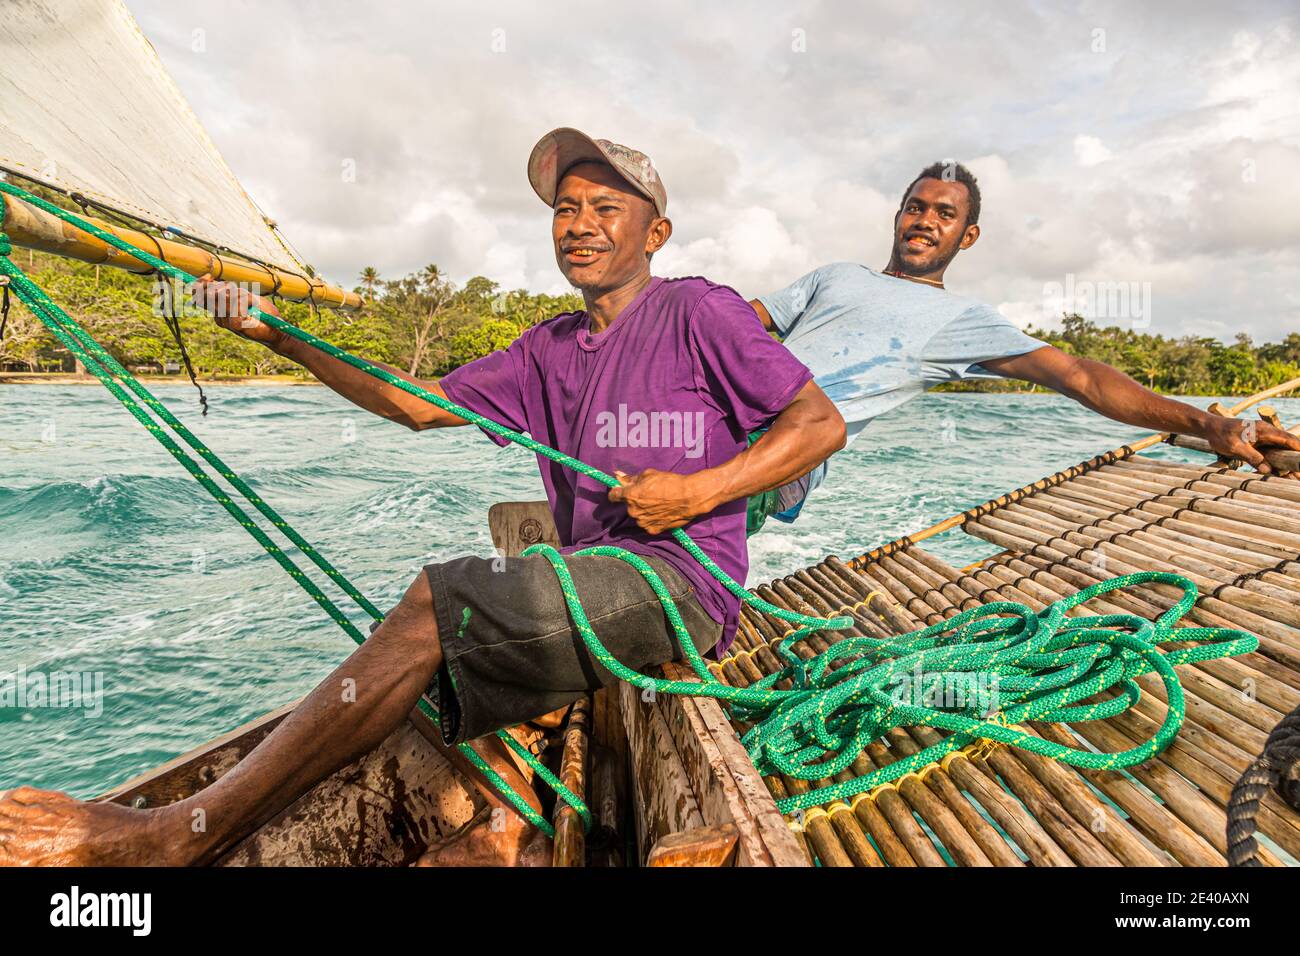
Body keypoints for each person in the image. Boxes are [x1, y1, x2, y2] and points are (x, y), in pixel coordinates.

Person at [0, 128, 845, 867]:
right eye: (564, 208)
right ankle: (509, 812)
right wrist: (274, 335)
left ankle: (176, 836)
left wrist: (702, 488)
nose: (578, 223)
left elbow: (817, 425)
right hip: (596, 582)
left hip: (679, 586)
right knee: (419, 664)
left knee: (432, 604)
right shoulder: (544, 348)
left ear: (656, 232)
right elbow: (409, 403)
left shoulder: (702, 311)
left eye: (605, 208)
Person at [745, 162, 1300, 532]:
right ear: (898, 217)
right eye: (916, 207)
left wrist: (1207, 423)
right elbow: (731, 326)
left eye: (946, 214)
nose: (925, 221)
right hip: (724, 412)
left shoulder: (962, 320)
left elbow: (1079, 376)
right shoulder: (835, 275)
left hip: (781, 450)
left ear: (968, 236)